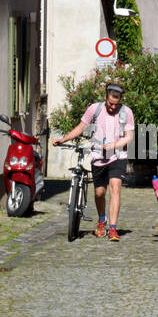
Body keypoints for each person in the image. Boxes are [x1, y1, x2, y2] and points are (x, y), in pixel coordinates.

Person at [53, 82, 134, 241]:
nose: (112, 107)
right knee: (99, 193)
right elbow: (81, 127)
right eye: (110, 103)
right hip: (98, 156)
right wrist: (63, 139)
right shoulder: (94, 109)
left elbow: (129, 137)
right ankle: (102, 220)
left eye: (115, 105)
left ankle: (113, 228)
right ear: (105, 97)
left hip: (117, 156)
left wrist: (115, 144)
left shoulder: (126, 112)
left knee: (115, 187)